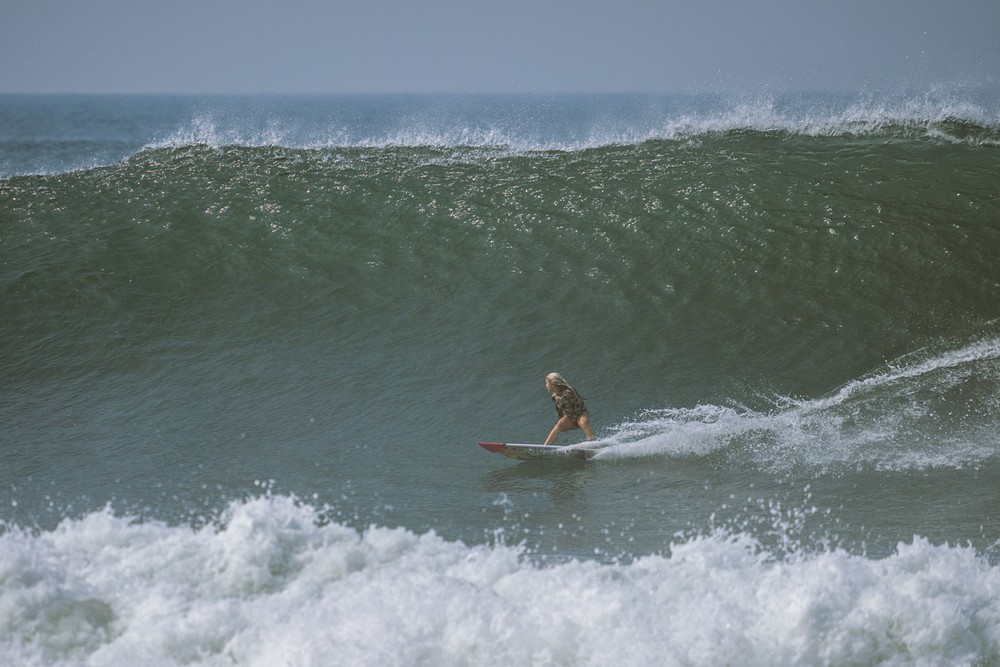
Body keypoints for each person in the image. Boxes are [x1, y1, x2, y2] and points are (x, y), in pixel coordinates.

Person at [544, 372, 596, 445]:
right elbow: (559, 411)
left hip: (580, 414)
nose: (546, 386)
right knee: (559, 424)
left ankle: (593, 444)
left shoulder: (568, 391)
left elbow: (569, 402)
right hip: (570, 417)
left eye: (547, 383)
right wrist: (562, 421)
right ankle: (545, 447)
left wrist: (560, 400)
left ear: (552, 384)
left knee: (583, 422)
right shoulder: (554, 397)